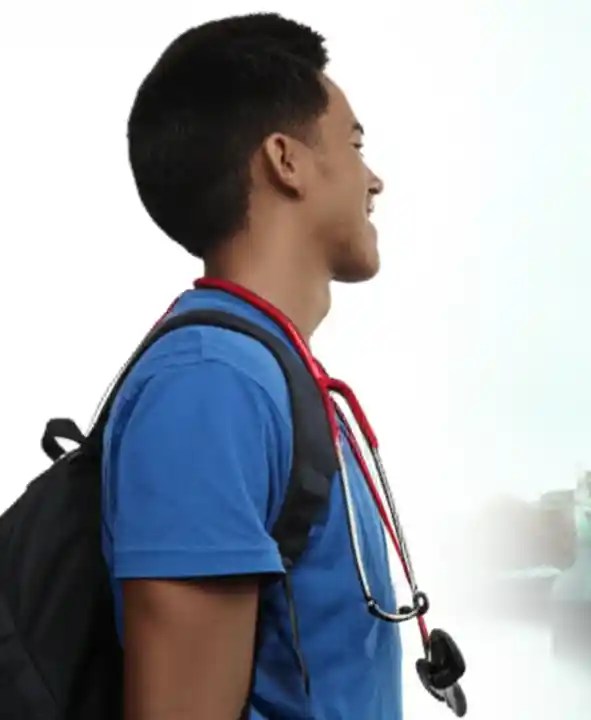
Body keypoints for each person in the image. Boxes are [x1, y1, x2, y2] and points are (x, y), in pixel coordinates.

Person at [104, 13, 400, 719]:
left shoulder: (262, 374)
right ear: (284, 160)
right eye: (355, 144)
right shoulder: (212, 387)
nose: (375, 179)